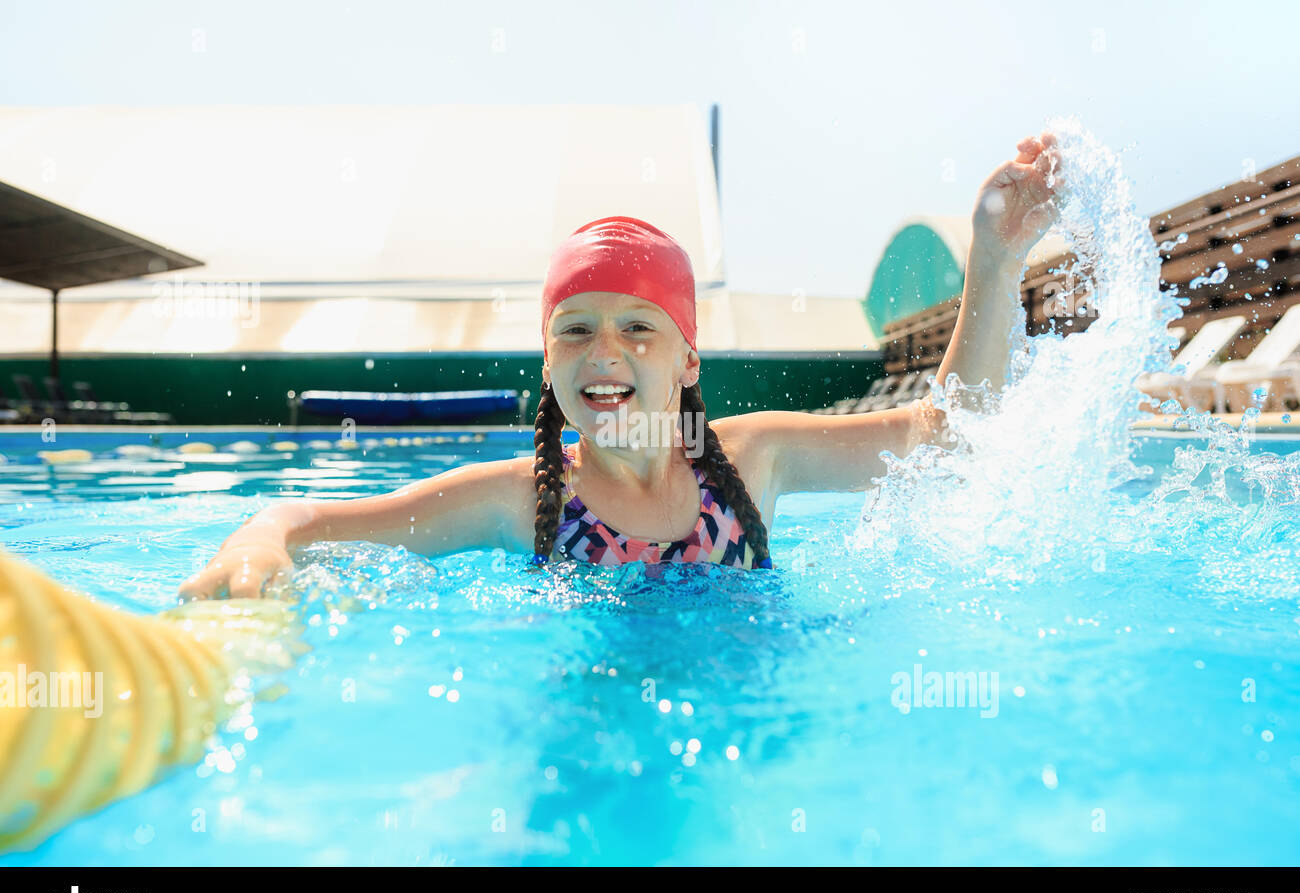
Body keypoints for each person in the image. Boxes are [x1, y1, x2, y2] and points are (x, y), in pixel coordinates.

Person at [179, 132, 1063, 599]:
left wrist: (992, 260)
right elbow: (308, 519)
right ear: (548, 360)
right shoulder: (523, 502)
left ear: (686, 358)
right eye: (573, 331)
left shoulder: (755, 462)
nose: (603, 355)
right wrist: (260, 543)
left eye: (637, 328)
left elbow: (947, 438)